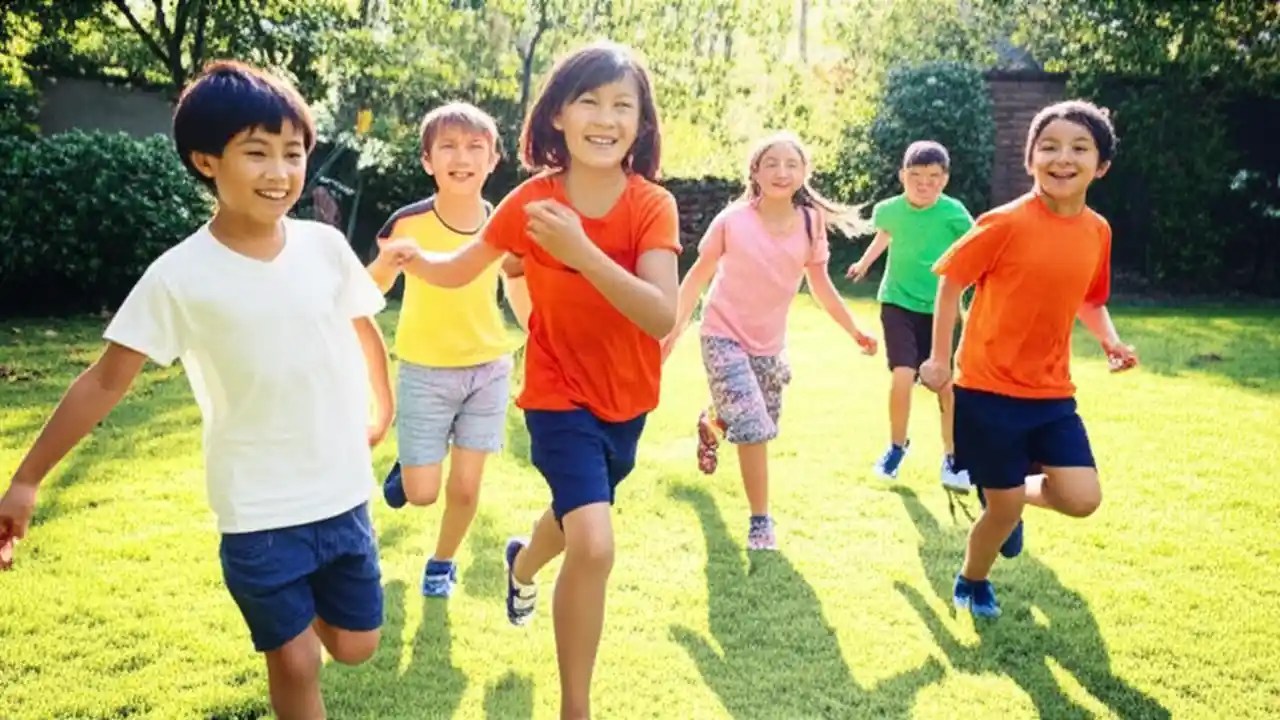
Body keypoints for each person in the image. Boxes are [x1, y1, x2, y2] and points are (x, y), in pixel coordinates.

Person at [0, 60, 393, 718]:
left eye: (293, 154)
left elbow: (363, 328)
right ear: (207, 160)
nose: (280, 172)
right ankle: (289, 632)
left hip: (342, 492)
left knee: (356, 645)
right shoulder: (178, 276)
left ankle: (309, 614)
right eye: (257, 153)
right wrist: (28, 479)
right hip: (258, 512)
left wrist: (381, 405)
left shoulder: (325, 247)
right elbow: (103, 382)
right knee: (296, 664)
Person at [379, 41, 678, 719]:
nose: (606, 117)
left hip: (628, 400)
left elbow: (659, 313)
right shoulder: (530, 200)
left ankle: (520, 563)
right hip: (556, 394)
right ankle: (577, 707)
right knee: (595, 543)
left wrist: (581, 251)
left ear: (642, 122)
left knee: (576, 520)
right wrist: (416, 258)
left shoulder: (650, 205)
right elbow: (466, 266)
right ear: (559, 117)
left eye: (622, 105)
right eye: (590, 101)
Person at [919, 100, 1139, 618]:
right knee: (1003, 509)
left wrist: (1109, 339)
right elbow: (951, 282)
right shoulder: (1005, 223)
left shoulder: (1098, 231)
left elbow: (1089, 296)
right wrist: (939, 360)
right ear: (1030, 159)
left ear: (1101, 165)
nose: (1063, 158)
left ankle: (1010, 494)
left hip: (1051, 393)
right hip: (987, 390)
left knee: (1083, 497)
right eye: (1049, 147)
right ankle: (973, 580)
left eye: (1079, 148)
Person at [662, 131, 878, 551]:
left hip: (768, 345)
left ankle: (711, 423)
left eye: (792, 164)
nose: (782, 172)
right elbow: (697, 278)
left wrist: (854, 329)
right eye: (772, 163)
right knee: (755, 428)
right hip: (722, 335)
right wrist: (673, 329)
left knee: (754, 421)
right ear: (755, 172)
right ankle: (760, 521)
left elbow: (820, 286)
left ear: (804, 173)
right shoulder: (731, 221)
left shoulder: (812, 224)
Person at [366, 101, 530, 598]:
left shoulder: (504, 223)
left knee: (464, 487)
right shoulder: (407, 222)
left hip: (488, 368)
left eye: (475, 147)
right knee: (422, 494)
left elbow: (517, 286)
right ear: (427, 161)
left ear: (493, 159)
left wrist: (542, 331)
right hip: (425, 369)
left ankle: (441, 564)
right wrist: (387, 266)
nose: (462, 157)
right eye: (449, 147)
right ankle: (409, 469)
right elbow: (369, 291)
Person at [847, 141, 974, 492]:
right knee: (902, 376)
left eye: (933, 177)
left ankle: (954, 458)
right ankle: (896, 447)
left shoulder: (954, 213)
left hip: (941, 310)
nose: (924, 184)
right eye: (916, 176)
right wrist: (864, 263)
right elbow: (886, 234)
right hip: (897, 302)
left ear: (944, 179)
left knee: (945, 386)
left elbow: (976, 250)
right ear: (903, 175)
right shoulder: (890, 210)